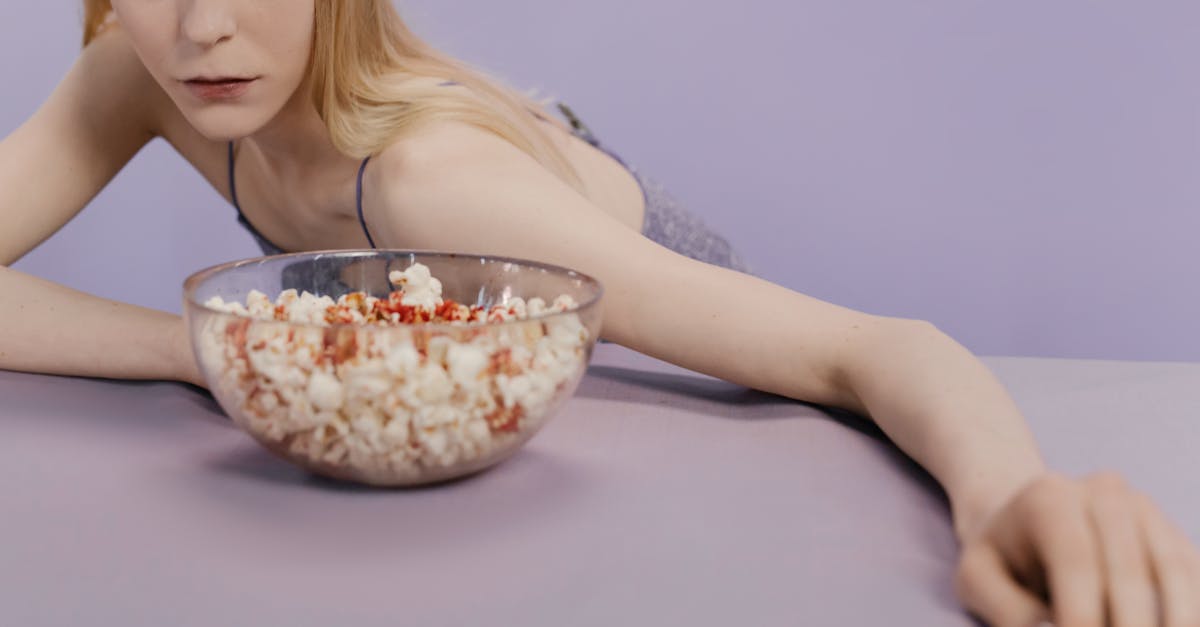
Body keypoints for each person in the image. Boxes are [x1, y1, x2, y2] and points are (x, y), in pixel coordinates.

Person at [0, 2, 1196, 625]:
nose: (199, 27)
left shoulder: (436, 188)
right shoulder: (140, 64)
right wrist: (217, 351)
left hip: (573, 230)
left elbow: (871, 348)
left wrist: (1008, 502)